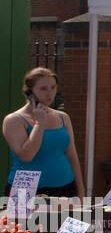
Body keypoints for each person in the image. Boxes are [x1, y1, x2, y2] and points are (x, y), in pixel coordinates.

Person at [3, 68, 86, 198]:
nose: (50, 93)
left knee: (65, 219)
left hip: (65, 187)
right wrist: (39, 124)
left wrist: (81, 191)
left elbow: (72, 156)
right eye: (43, 89)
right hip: (26, 189)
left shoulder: (63, 117)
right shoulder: (14, 120)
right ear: (29, 91)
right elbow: (26, 156)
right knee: (23, 219)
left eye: (53, 87)